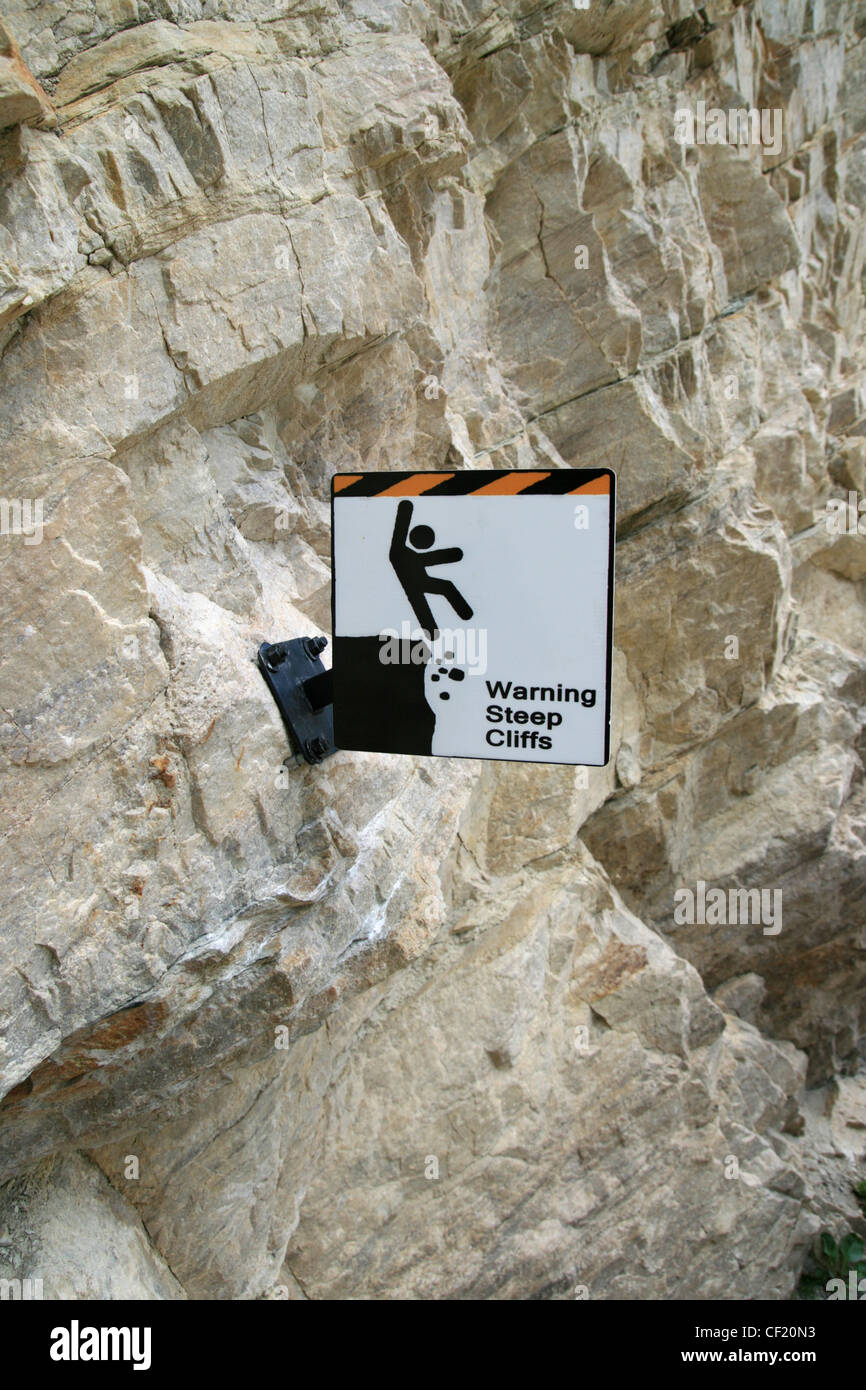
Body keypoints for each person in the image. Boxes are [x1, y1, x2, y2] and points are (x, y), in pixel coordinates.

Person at [389, 499, 473, 639]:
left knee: (444, 588)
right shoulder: (398, 554)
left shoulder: (398, 554)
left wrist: (406, 509)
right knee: (445, 588)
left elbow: (419, 557)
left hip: (416, 580)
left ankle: (464, 617)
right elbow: (417, 556)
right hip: (416, 581)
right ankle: (462, 617)